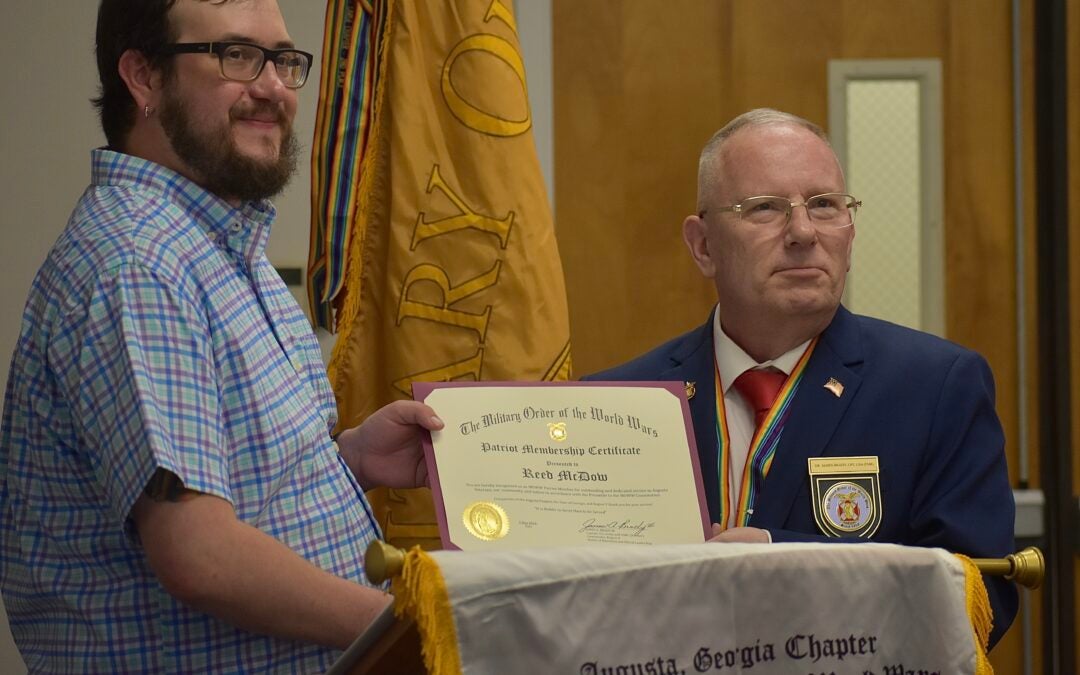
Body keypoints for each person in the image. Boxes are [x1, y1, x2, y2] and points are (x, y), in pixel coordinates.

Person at [0, 0, 443, 671]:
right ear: (143, 78)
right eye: (237, 56)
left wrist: (346, 458)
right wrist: (415, 624)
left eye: (284, 61)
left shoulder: (221, 245)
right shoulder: (139, 263)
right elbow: (199, 555)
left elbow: (222, 484)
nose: (273, 88)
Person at [586, 108, 1018, 647]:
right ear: (703, 246)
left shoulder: (935, 388)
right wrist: (461, 461)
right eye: (763, 208)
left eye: (824, 205)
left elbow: (984, 596)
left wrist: (781, 566)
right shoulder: (615, 403)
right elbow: (550, 594)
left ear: (850, 230)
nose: (803, 232)